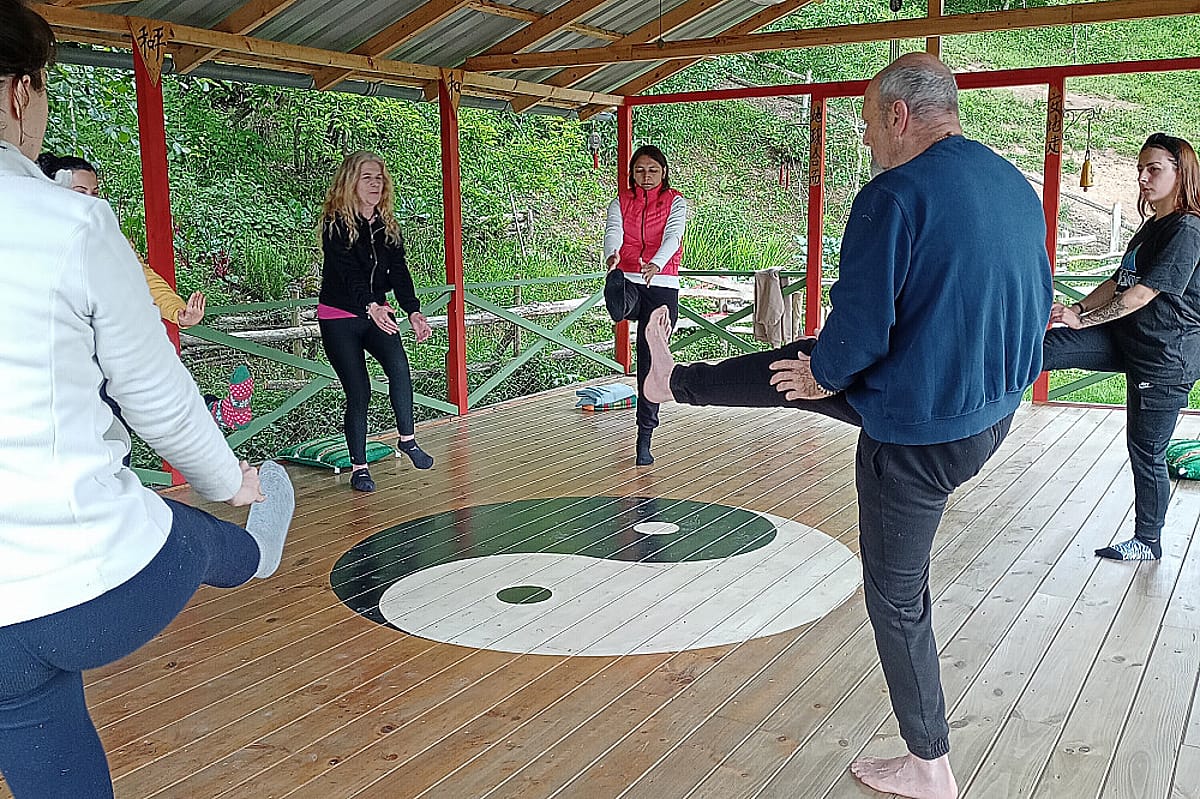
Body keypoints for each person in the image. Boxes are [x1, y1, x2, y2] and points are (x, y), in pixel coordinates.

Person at [640, 53, 1051, 799]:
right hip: (986, 412)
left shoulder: (892, 196)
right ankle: (675, 383)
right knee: (795, 370)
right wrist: (825, 372)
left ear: (898, 115)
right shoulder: (1011, 183)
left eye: (866, 124)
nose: (865, 140)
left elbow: (858, 331)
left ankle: (929, 766)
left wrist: (826, 373)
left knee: (897, 597)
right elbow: (1032, 296)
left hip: (917, 435)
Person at [0, 3, 295, 797]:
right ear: (21, 93)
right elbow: (157, 397)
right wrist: (232, 481)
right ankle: (255, 551)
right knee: (188, 536)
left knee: (37, 729)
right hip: (79, 584)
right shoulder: (73, 222)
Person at [1043, 133, 1200, 561]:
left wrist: (1084, 320)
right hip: (1128, 340)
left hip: (1164, 358)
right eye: (1140, 169)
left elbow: (1141, 295)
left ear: (1181, 172)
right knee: (1045, 348)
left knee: (1146, 451)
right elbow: (1119, 281)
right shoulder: (1154, 225)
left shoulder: (1187, 229)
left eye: (1154, 169)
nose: (1143, 178)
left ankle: (1148, 541)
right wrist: (1077, 308)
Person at [36, 151, 255, 431]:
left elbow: (143, 277)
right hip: (60, 359)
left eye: (95, 192)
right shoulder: (36, 237)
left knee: (134, 402)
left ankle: (214, 413)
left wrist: (178, 311)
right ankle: (212, 413)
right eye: (80, 192)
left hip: (110, 349)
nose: (91, 200)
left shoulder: (108, 235)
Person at [318, 150, 434, 492]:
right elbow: (348, 274)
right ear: (350, 183)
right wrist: (370, 305)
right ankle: (359, 468)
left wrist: (413, 311)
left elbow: (399, 272)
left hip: (378, 312)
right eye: (366, 177)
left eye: (379, 178)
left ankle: (407, 439)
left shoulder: (387, 226)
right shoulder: (336, 225)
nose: (374, 184)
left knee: (399, 367)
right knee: (360, 391)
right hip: (340, 316)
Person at [602, 144, 687, 466]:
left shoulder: (675, 201)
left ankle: (644, 437)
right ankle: (619, 302)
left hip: (662, 283)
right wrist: (612, 255)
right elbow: (613, 231)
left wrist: (657, 263)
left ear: (663, 172)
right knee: (624, 293)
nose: (646, 176)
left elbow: (673, 236)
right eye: (639, 170)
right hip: (629, 276)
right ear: (632, 174)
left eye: (652, 170)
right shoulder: (621, 201)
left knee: (649, 363)